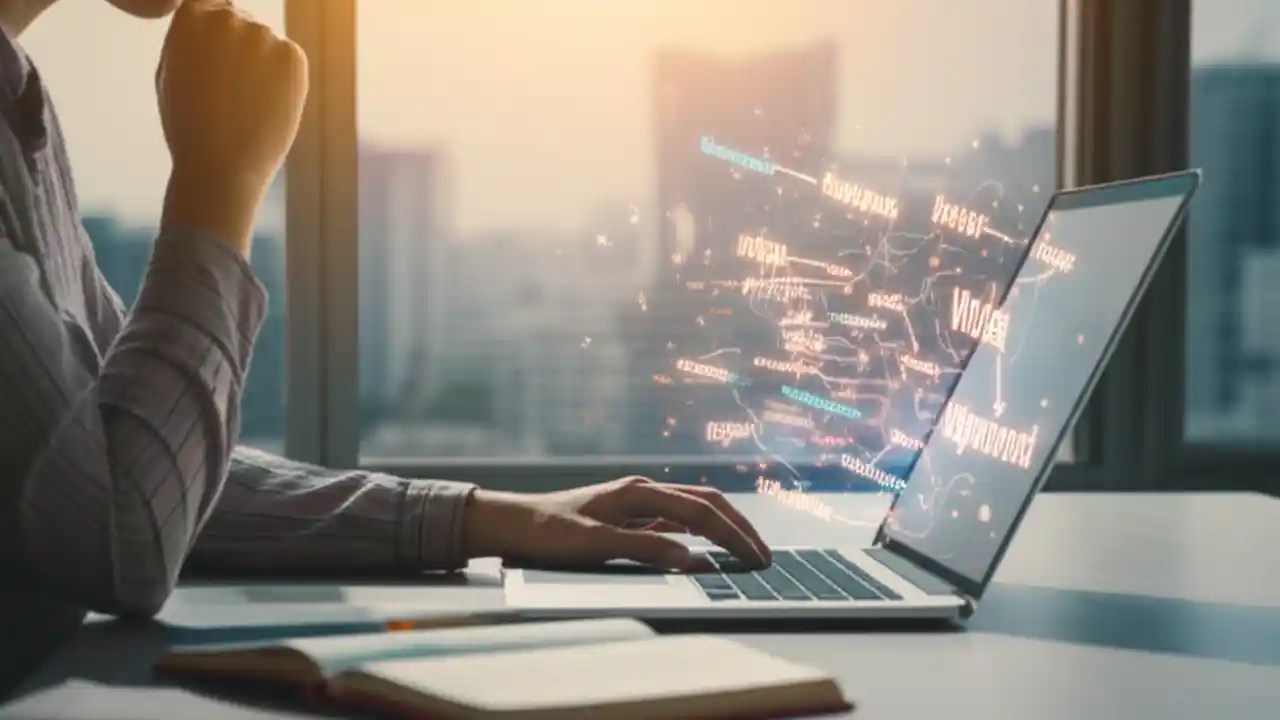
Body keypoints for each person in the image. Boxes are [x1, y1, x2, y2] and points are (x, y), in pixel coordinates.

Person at [0, 0, 770, 692]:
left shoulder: (17, 98)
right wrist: (219, 179)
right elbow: (125, 539)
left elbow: (142, 465)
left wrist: (493, 519)